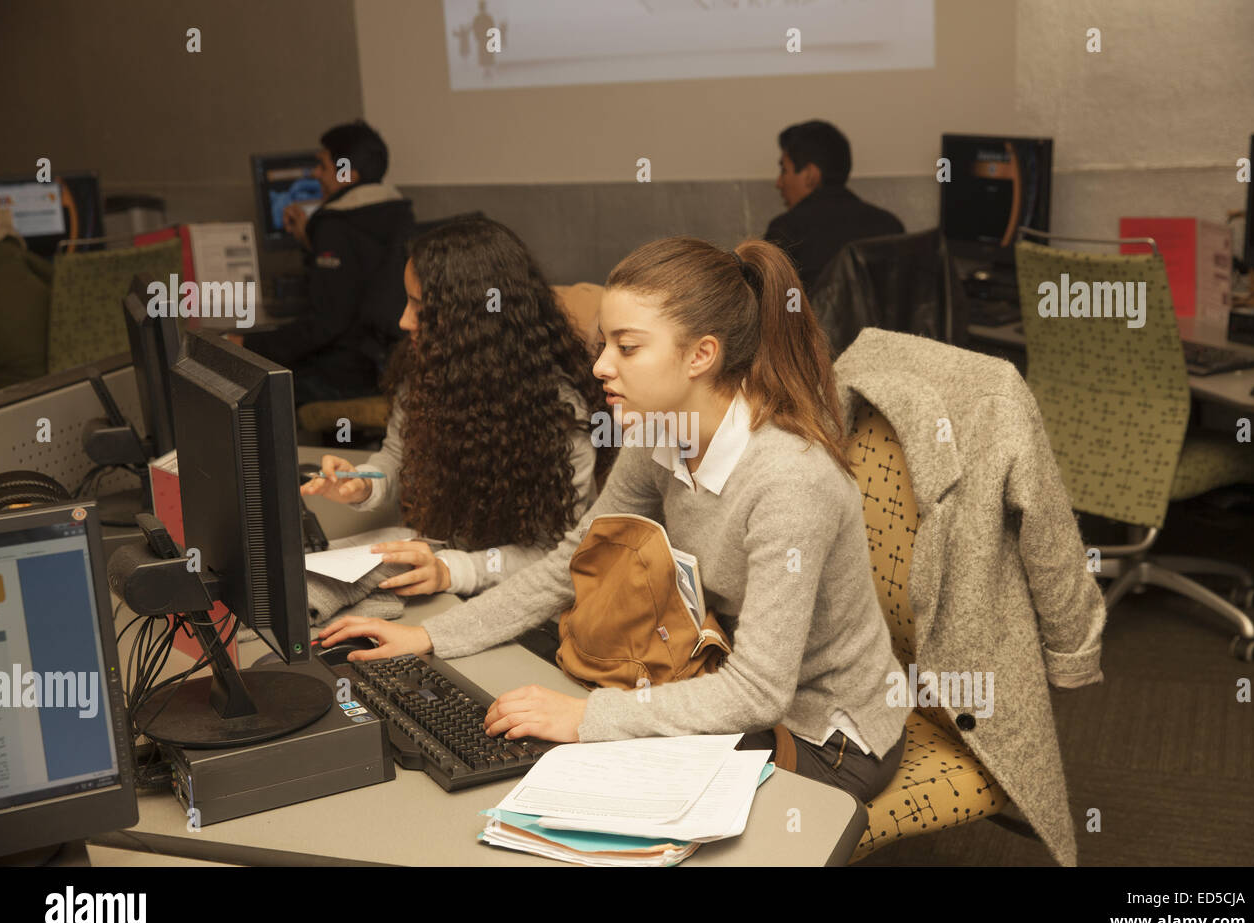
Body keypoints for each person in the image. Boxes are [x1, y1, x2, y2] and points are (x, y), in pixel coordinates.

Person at [318, 236, 911, 802]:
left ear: (702, 355)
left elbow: (759, 692)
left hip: (822, 737)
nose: (601, 366)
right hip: (716, 680)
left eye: (626, 348)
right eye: (603, 344)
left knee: (580, 770)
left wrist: (586, 718)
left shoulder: (789, 481)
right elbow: (571, 565)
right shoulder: (660, 432)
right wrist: (430, 637)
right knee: (536, 741)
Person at [302, 216, 610, 597]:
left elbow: (554, 552)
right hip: (442, 564)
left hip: (519, 593)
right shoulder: (428, 370)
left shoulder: (558, 410)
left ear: (471, 320)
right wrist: (364, 484)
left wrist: (452, 569)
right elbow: (398, 457)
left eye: (420, 308)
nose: (403, 321)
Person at [245, 120, 414, 404]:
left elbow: (325, 324)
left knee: (257, 383)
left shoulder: (335, 225)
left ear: (349, 174)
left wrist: (249, 344)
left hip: (347, 375)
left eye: (323, 166)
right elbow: (359, 272)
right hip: (385, 366)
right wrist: (312, 244)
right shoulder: (397, 212)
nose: (315, 174)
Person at [764, 120, 905, 295]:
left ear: (810, 174)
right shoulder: (890, 226)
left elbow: (772, 310)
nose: (779, 183)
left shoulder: (784, 230)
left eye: (784, 170)